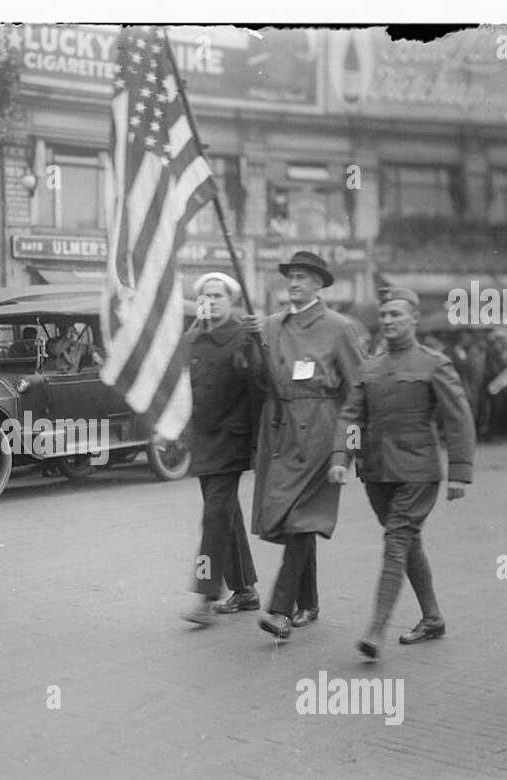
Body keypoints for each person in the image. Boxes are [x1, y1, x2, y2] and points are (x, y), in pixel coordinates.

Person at [329, 288, 476, 660]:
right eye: (385, 314)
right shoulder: (370, 366)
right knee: (408, 542)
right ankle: (433, 618)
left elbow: (458, 418)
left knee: (396, 541)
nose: (388, 320)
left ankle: (376, 630)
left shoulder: (433, 363)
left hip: (417, 471)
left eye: (396, 314)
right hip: (377, 472)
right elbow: (352, 417)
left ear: (414, 319)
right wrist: (341, 458)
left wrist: (459, 471)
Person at [249, 250, 364, 640]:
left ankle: (279, 609)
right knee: (295, 517)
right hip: (281, 432)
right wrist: (248, 348)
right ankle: (309, 601)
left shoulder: (338, 328)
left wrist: (344, 451)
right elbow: (254, 376)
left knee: (301, 516)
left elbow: (358, 393)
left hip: (320, 431)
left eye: (302, 277)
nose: (293, 283)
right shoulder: (270, 326)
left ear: (319, 284)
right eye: (290, 277)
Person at [180, 273, 264, 625]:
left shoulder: (243, 336)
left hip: (232, 439)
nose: (210, 302)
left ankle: (205, 594)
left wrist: (256, 347)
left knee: (214, 516)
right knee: (226, 515)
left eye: (217, 296)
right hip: (203, 438)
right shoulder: (192, 338)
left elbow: (260, 383)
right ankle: (245, 590)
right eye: (204, 296)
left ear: (231, 301)